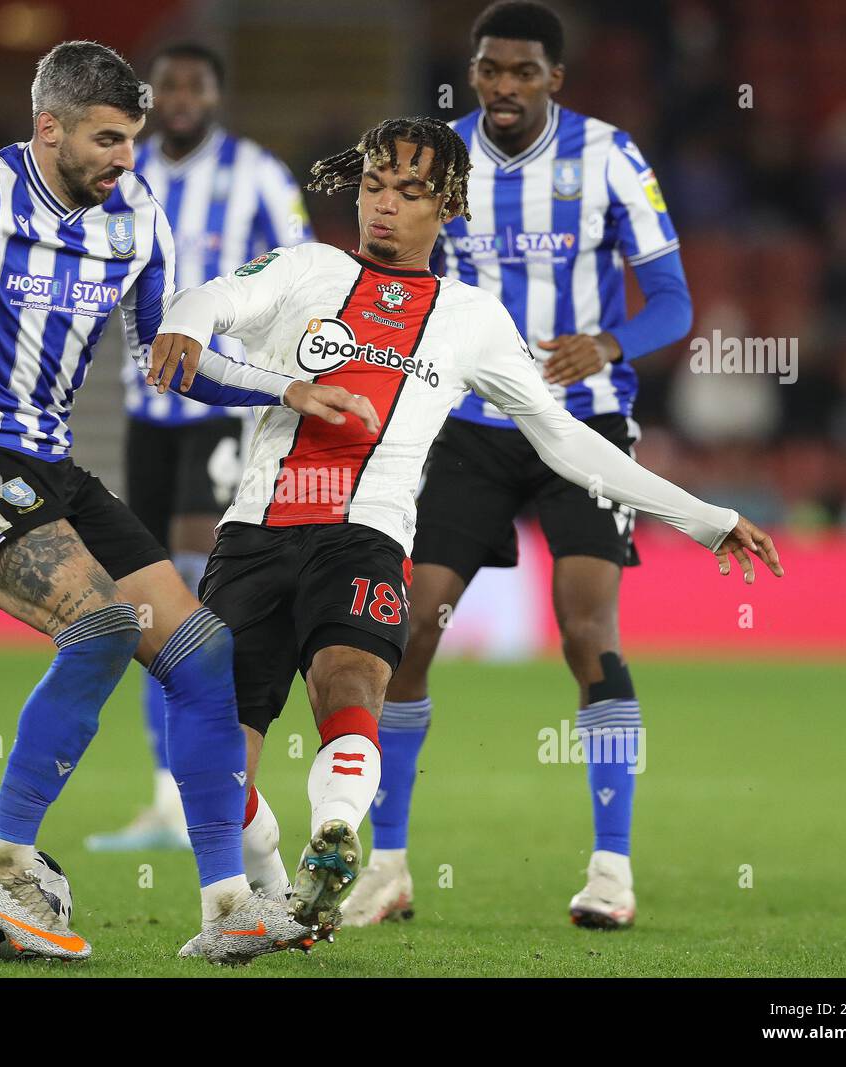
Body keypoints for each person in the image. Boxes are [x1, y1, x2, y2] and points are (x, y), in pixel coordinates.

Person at [147, 115, 782, 949]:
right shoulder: (308, 268)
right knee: (217, 758)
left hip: (365, 536)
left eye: (408, 193)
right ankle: (275, 882)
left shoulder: (472, 319)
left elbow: (564, 439)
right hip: (256, 533)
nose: (383, 207)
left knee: (350, 687)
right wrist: (190, 323)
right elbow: (213, 299)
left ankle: (336, 835)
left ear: (446, 206)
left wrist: (705, 518)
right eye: (374, 186)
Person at [0, 39, 374, 965]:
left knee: (204, 657)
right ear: (50, 129)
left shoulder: (138, 221)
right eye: (110, 140)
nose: (128, 159)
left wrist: (285, 389)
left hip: (54, 467)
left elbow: (176, 361)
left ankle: (227, 903)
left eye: (135, 140)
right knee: (104, 625)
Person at [346, 1, 697, 930]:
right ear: (473, 72)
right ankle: (387, 865)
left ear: (556, 80)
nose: (504, 86)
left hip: (581, 427)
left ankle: (611, 869)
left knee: (586, 631)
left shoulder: (610, 157)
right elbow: (393, 275)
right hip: (466, 423)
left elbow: (671, 301)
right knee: (411, 624)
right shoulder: (438, 162)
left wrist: (609, 344)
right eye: (490, 70)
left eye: (524, 72)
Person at [89, 42, 313, 853]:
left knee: (191, 583)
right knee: (145, 597)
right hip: (147, 409)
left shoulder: (257, 172)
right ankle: (164, 796)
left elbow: (299, 272)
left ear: (218, 94)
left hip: (221, 404)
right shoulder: (122, 167)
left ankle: (210, 788)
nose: (182, 97)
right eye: (171, 85)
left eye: (197, 85)